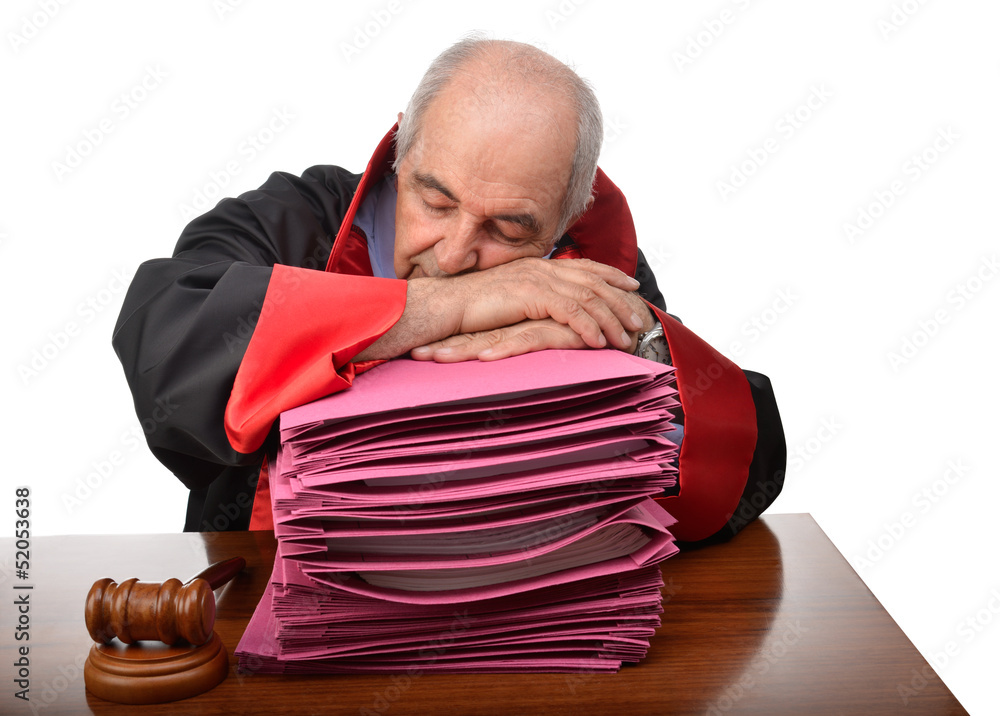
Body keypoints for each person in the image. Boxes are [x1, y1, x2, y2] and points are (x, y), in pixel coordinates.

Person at [113, 37, 784, 544]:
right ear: (402, 148)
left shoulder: (584, 268)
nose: (457, 253)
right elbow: (166, 344)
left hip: (516, 625)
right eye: (434, 201)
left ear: (565, 218)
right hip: (276, 608)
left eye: (508, 228)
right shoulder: (290, 220)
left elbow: (737, 456)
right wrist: (444, 307)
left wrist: (645, 348)